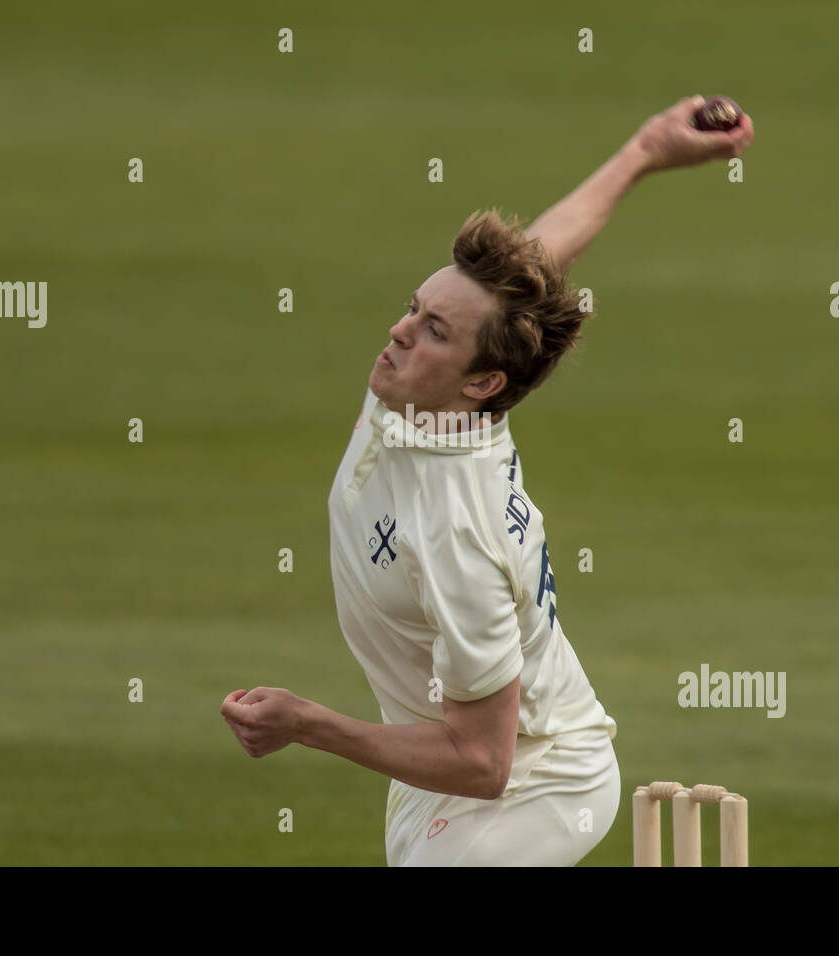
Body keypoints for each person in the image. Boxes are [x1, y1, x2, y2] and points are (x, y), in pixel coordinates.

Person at [221, 96, 755, 865]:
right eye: (414, 308)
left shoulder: (460, 533)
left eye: (434, 330)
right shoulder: (418, 390)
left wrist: (307, 724)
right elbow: (535, 269)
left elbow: (483, 763)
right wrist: (642, 151)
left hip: (537, 784)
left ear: (480, 383)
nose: (400, 330)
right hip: (432, 767)